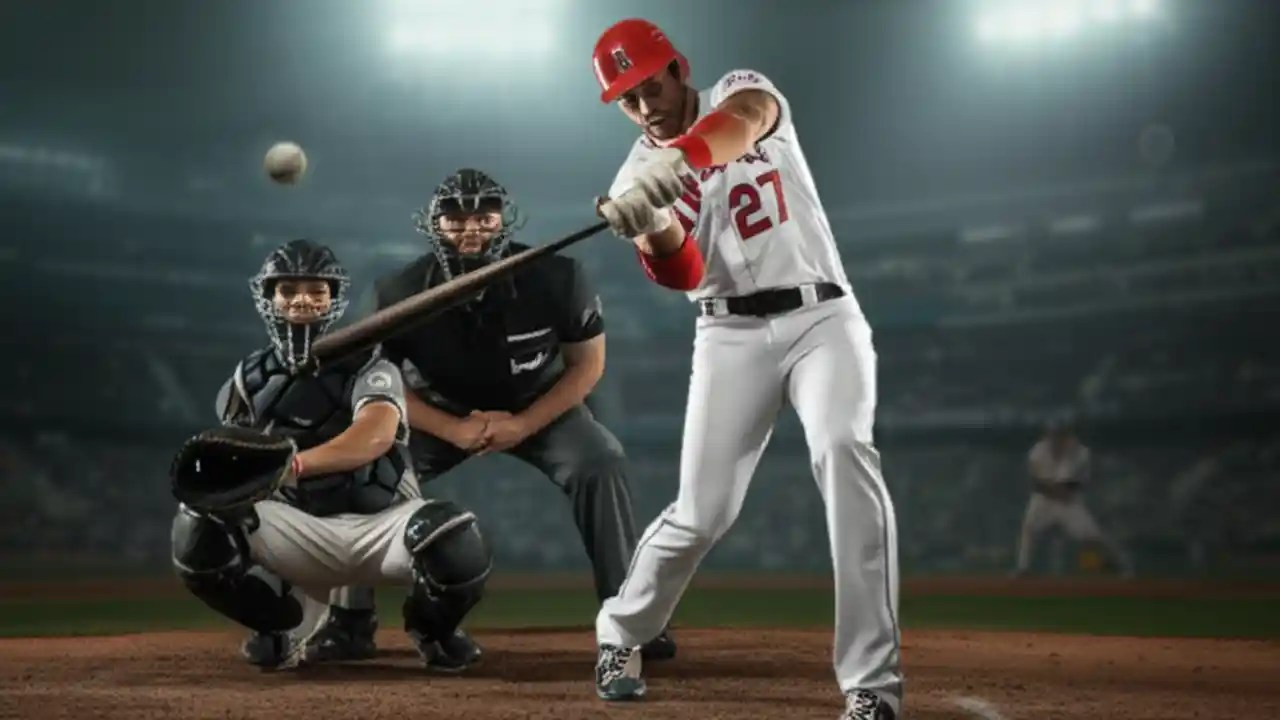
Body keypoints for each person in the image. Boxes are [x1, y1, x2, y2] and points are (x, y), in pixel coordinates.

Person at [586, 18, 903, 720]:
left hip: (822, 317)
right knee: (703, 512)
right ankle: (621, 631)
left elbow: (747, 121)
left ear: (677, 68)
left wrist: (686, 159)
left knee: (845, 451)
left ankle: (872, 685)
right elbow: (685, 272)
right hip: (727, 332)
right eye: (627, 101)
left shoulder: (739, 90)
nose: (643, 107)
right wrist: (650, 223)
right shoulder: (635, 173)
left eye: (648, 86)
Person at [372, 168, 676, 661]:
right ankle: (348, 620)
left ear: (503, 221)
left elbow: (587, 364)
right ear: (434, 225)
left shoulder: (559, 275)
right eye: (456, 218)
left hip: (541, 404)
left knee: (601, 460)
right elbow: (378, 384)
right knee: (369, 464)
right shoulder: (397, 290)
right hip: (439, 410)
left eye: (484, 216)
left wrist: (524, 424)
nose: (471, 228)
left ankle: (630, 618)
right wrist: (451, 427)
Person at [169, 239, 490, 671]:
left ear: (333, 300)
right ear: (269, 299)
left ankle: (434, 632)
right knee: (197, 529)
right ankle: (282, 626)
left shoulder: (372, 366)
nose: (302, 300)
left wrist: (292, 465)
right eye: (288, 290)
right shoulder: (247, 381)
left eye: (316, 291)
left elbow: (373, 437)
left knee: (454, 540)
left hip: (380, 525)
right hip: (300, 531)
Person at [1012, 422, 1134, 578]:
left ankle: (1121, 562)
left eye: (1059, 435)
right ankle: (1023, 568)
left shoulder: (1080, 453)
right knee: (1028, 529)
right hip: (1043, 501)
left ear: (1067, 436)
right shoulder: (1038, 450)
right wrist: (1049, 487)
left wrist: (1050, 486)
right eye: (1052, 435)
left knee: (1092, 536)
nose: (1055, 439)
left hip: (1069, 503)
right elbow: (1035, 483)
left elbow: (1069, 488)